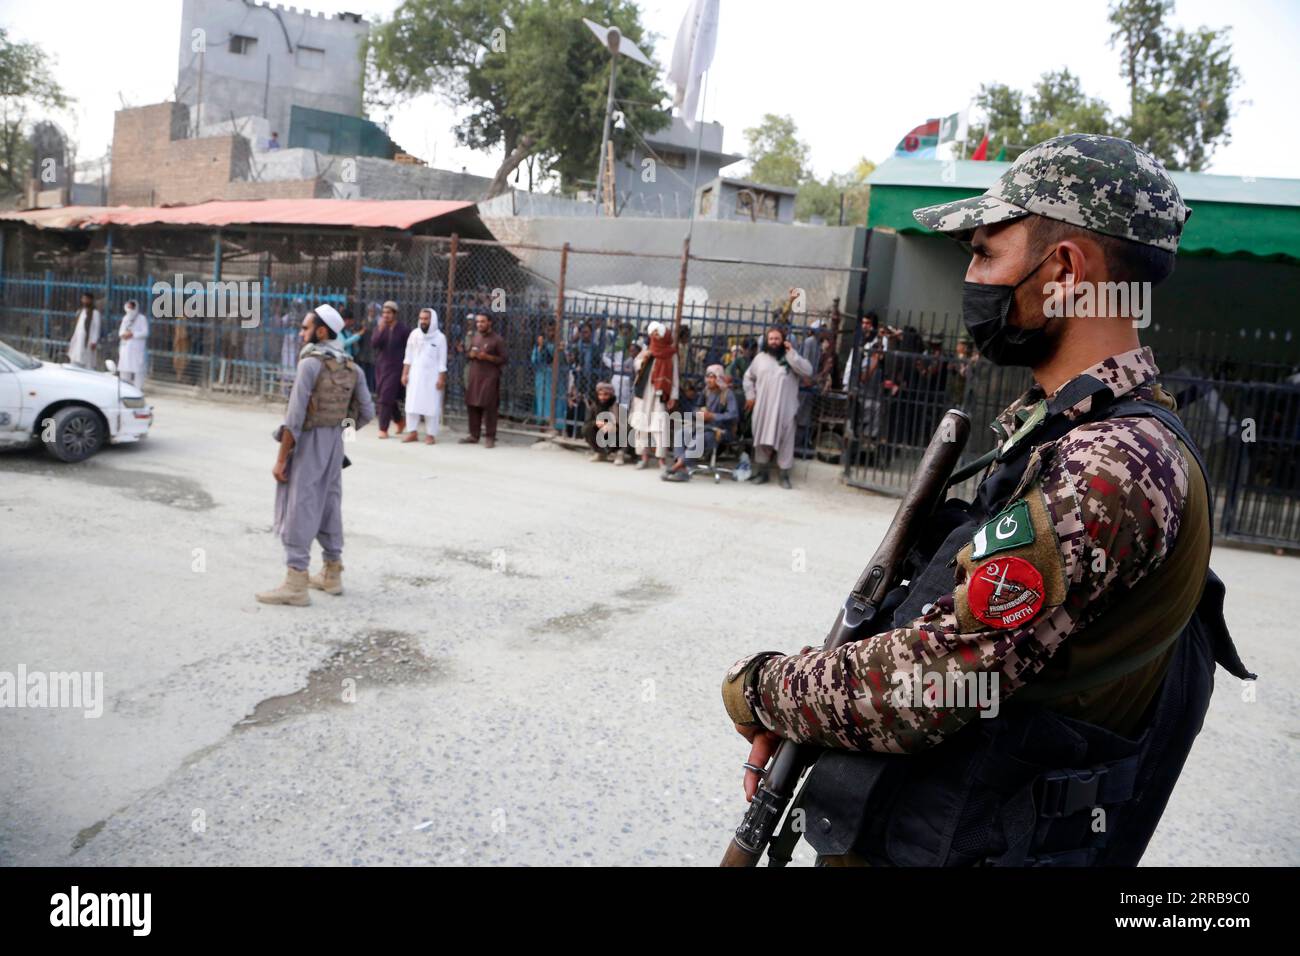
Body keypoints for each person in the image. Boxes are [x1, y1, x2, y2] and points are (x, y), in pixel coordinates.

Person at [721, 134, 1253, 867]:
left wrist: (760, 687)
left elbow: (931, 679)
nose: (971, 278)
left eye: (983, 253)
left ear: (1065, 270)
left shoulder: (1111, 465)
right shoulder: (1069, 428)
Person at [256, 304, 374, 606]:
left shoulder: (310, 365)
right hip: (334, 445)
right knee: (329, 504)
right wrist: (339, 433)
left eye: (306, 327)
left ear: (321, 332)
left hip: (308, 443)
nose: (300, 332)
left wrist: (282, 459)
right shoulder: (352, 367)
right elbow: (366, 413)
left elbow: (294, 418)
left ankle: (296, 583)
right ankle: (332, 573)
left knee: (300, 505)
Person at [743, 326, 814, 488]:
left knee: (786, 441)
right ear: (767, 341)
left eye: (777, 339)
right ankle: (763, 473)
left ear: (783, 341)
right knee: (761, 439)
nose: (774, 342)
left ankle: (784, 476)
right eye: (771, 339)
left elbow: (808, 371)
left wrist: (792, 354)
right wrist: (750, 396)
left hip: (785, 409)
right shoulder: (760, 358)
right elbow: (748, 377)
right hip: (764, 408)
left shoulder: (791, 358)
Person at [628, 321, 678, 469]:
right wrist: (644, 358)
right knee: (641, 424)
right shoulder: (647, 350)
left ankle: (661, 460)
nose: (656, 336)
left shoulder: (671, 354)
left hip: (660, 393)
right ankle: (643, 458)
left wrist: (673, 396)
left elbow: (674, 376)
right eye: (653, 333)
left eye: (658, 333)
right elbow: (636, 365)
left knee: (659, 425)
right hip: (643, 393)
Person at [401, 307, 447, 445]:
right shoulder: (414, 334)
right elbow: (408, 356)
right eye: (421, 318)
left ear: (432, 320)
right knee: (411, 404)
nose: (423, 321)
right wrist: (405, 373)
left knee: (431, 406)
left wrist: (441, 378)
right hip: (414, 375)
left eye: (426, 319)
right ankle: (412, 432)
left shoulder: (440, 338)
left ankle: (430, 435)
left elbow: (442, 361)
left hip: (432, 376)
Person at [460, 311, 506, 447]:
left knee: (489, 406)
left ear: (489, 323)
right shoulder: (474, 337)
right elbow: (467, 353)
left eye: (482, 322)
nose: (479, 324)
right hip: (474, 375)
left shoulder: (497, 340)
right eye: (478, 322)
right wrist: (470, 354)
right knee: (472, 404)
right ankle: (474, 435)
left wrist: (488, 357)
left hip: (490, 377)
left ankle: (490, 436)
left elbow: (504, 359)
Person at [370, 300, 408, 438]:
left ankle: (383, 428)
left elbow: (409, 349)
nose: (385, 315)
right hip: (382, 367)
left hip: (397, 367)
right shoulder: (380, 327)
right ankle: (399, 420)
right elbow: (374, 344)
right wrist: (380, 330)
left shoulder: (403, 329)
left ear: (395, 314)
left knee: (385, 397)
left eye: (389, 313)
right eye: (384, 312)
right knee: (386, 396)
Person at [583, 380, 628, 464]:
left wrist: (614, 426)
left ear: (611, 395)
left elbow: (625, 427)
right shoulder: (594, 407)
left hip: (615, 437)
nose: (602, 397)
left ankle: (619, 454)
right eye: (600, 395)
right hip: (602, 434)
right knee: (587, 429)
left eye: (606, 395)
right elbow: (587, 422)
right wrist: (596, 424)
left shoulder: (617, 408)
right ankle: (600, 453)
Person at [115, 299, 149, 386]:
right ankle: (125, 387)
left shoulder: (141, 318)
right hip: (125, 347)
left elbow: (145, 333)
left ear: (135, 307)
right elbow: (120, 332)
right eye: (128, 307)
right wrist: (124, 335)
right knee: (124, 368)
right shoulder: (125, 318)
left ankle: (138, 388)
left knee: (138, 369)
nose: (129, 309)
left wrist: (133, 334)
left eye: (131, 307)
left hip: (137, 348)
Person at [67, 291, 100, 369]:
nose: (84, 301)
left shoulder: (95, 313)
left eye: (86, 299)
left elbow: (96, 328)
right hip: (77, 339)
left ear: (90, 300)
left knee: (87, 361)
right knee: (75, 358)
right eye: (83, 299)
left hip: (88, 341)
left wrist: (94, 341)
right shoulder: (79, 311)